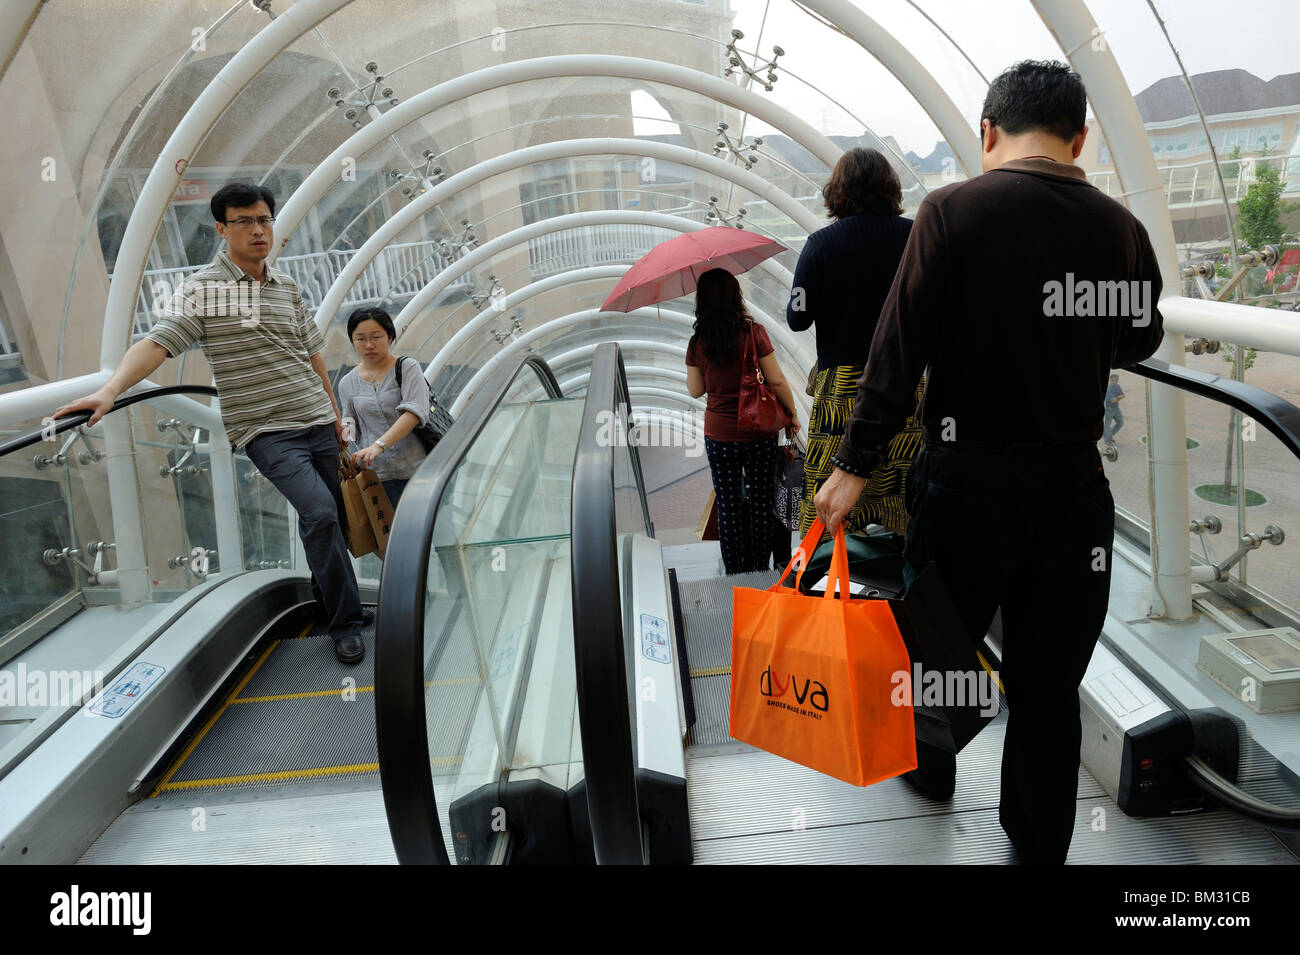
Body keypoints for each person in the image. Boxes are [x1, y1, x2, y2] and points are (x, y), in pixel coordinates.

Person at [814, 60, 1165, 864]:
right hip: (1073, 491)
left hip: (966, 481)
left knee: (940, 643)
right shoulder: (1119, 228)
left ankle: (935, 771)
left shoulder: (951, 212)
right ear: (1079, 140)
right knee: (1048, 686)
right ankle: (1036, 842)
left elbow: (895, 351)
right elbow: (1141, 337)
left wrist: (855, 464)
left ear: (986, 132)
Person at [53, 183, 369, 665]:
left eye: (263, 219)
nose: (257, 230)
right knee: (320, 513)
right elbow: (158, 343)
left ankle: (329, 599)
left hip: (318, 421)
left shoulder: (287, 288)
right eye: (244, 221)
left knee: (333, 518)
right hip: (266, 431)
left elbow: (313, 357)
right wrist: (111, 389)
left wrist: (335, 416)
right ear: (222, 229)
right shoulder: (205, 290)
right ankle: (343, 623)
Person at [787, 147, 920, 536]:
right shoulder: (916, 237)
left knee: (830, 504)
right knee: (904, 495)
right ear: (890, 188)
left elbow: (797, 319)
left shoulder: (821, 244)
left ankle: (837, 590)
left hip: (843, 391)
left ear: (837, 191)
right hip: (905, 385)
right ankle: (901, 591)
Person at [686, 269, 800, 575]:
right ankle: (761, 571)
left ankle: (735, 572)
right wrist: (791, 415)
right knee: (761, 503)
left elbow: (696, 390)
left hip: (720, 436)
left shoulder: (698, 342)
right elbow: (776, 380)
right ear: (735, 295)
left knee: (728, 506)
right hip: (758, 432)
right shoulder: (754, 333)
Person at [336, 307, 430, 505]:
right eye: (360, 339)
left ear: (390, 337)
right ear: (353, 342)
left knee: (435, 532)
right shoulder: (347, 383)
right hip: (378, 476)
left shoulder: (407, 367)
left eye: (376, 337)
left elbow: (413, 412)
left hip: (420, 470)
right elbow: (350, 424)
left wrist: (378, 446)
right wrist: (347, 448)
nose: (368, 345)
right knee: (391, 534)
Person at [1102, 374, 1125, 445]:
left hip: (1116, 408)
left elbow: (1123, 395)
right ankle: (1107, 440)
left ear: (1117, 381)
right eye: (1112, 380)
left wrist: (1117, 398)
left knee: (1120, 422)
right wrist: (1119, 397)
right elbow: (1113, 400)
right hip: (1109, 409)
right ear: (1109, 380)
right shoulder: (1108, 389)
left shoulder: (1118, 387)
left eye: (1116, 381)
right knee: (1107, 425)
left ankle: (1110, 435)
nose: (1114, 382)